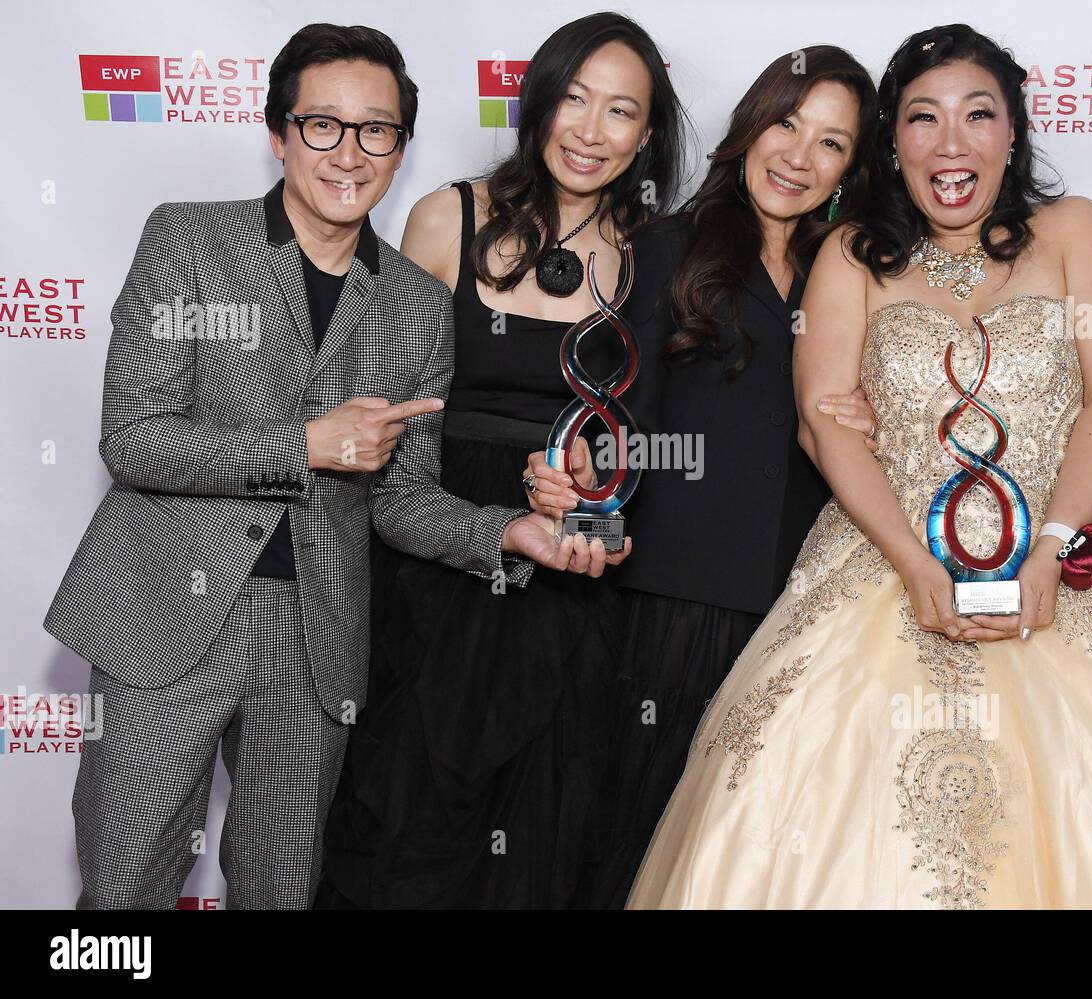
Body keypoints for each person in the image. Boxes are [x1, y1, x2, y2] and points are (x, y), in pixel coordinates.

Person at [627, 23, 1092, 909]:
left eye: (977, 115)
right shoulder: (852, 255)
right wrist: (913, 563)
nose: (951, 143)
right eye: (922, 119)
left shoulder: (1075, 233)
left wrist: (1052, 549)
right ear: (892, 144)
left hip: (1056, 565)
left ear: (1013, 131)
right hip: (880, 564)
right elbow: (828, 426)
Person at [43, 22, 601, 910]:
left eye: (375, 130)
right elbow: (135, 435)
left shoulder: (418, 305)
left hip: (316, 640)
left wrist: (509, 529)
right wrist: (305, 445)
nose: (350, 152)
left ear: (401, 147)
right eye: (322, 126)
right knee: (122, 889)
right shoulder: (189, 241)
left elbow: (403, 498)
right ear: (278, 133)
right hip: (165, 619)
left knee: (283, 889)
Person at [315, 12, 689, 909]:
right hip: (441, 548)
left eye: (621, 112)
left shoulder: (658, 252)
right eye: (573, 99)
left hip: (567, 558)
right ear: (537, 102)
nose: (591, 131)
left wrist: (591, 488)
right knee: (411, 806)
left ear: (646, 135)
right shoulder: (449, 215)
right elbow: (393, 413)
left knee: (546, 819)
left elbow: (640, 427)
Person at [524, 45, 878, 908]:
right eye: (787, 123)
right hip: (679, 601)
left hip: (805, 606)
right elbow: (626, 419)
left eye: (831, 143)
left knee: (760, 857)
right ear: (749, 126)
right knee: (646, 838)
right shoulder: (669, 244)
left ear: (851, 168)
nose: (799, 156)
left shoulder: (858, 268)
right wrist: (584, 484)